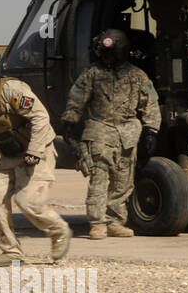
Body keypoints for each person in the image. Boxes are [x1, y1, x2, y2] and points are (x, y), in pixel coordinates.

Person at [0, 57, 72, 265]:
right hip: (11, 154)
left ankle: (59, 232)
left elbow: (40, 117)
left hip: (39, 150)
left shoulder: (12, 90)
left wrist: (34, 152)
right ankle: (11, 250)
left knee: (27, 201)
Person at [60, 29, 161, 238]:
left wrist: (151, 131)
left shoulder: (137, 76)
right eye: (104, 54)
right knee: (99, 179)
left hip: (128, 136)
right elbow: (76, 100)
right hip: (99, 133)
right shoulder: (92, 74)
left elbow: (150, 105)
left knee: (122, 182)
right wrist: (70, 124)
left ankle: (115, 221)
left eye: (112, 53)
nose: (108, 58)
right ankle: (97, 223)